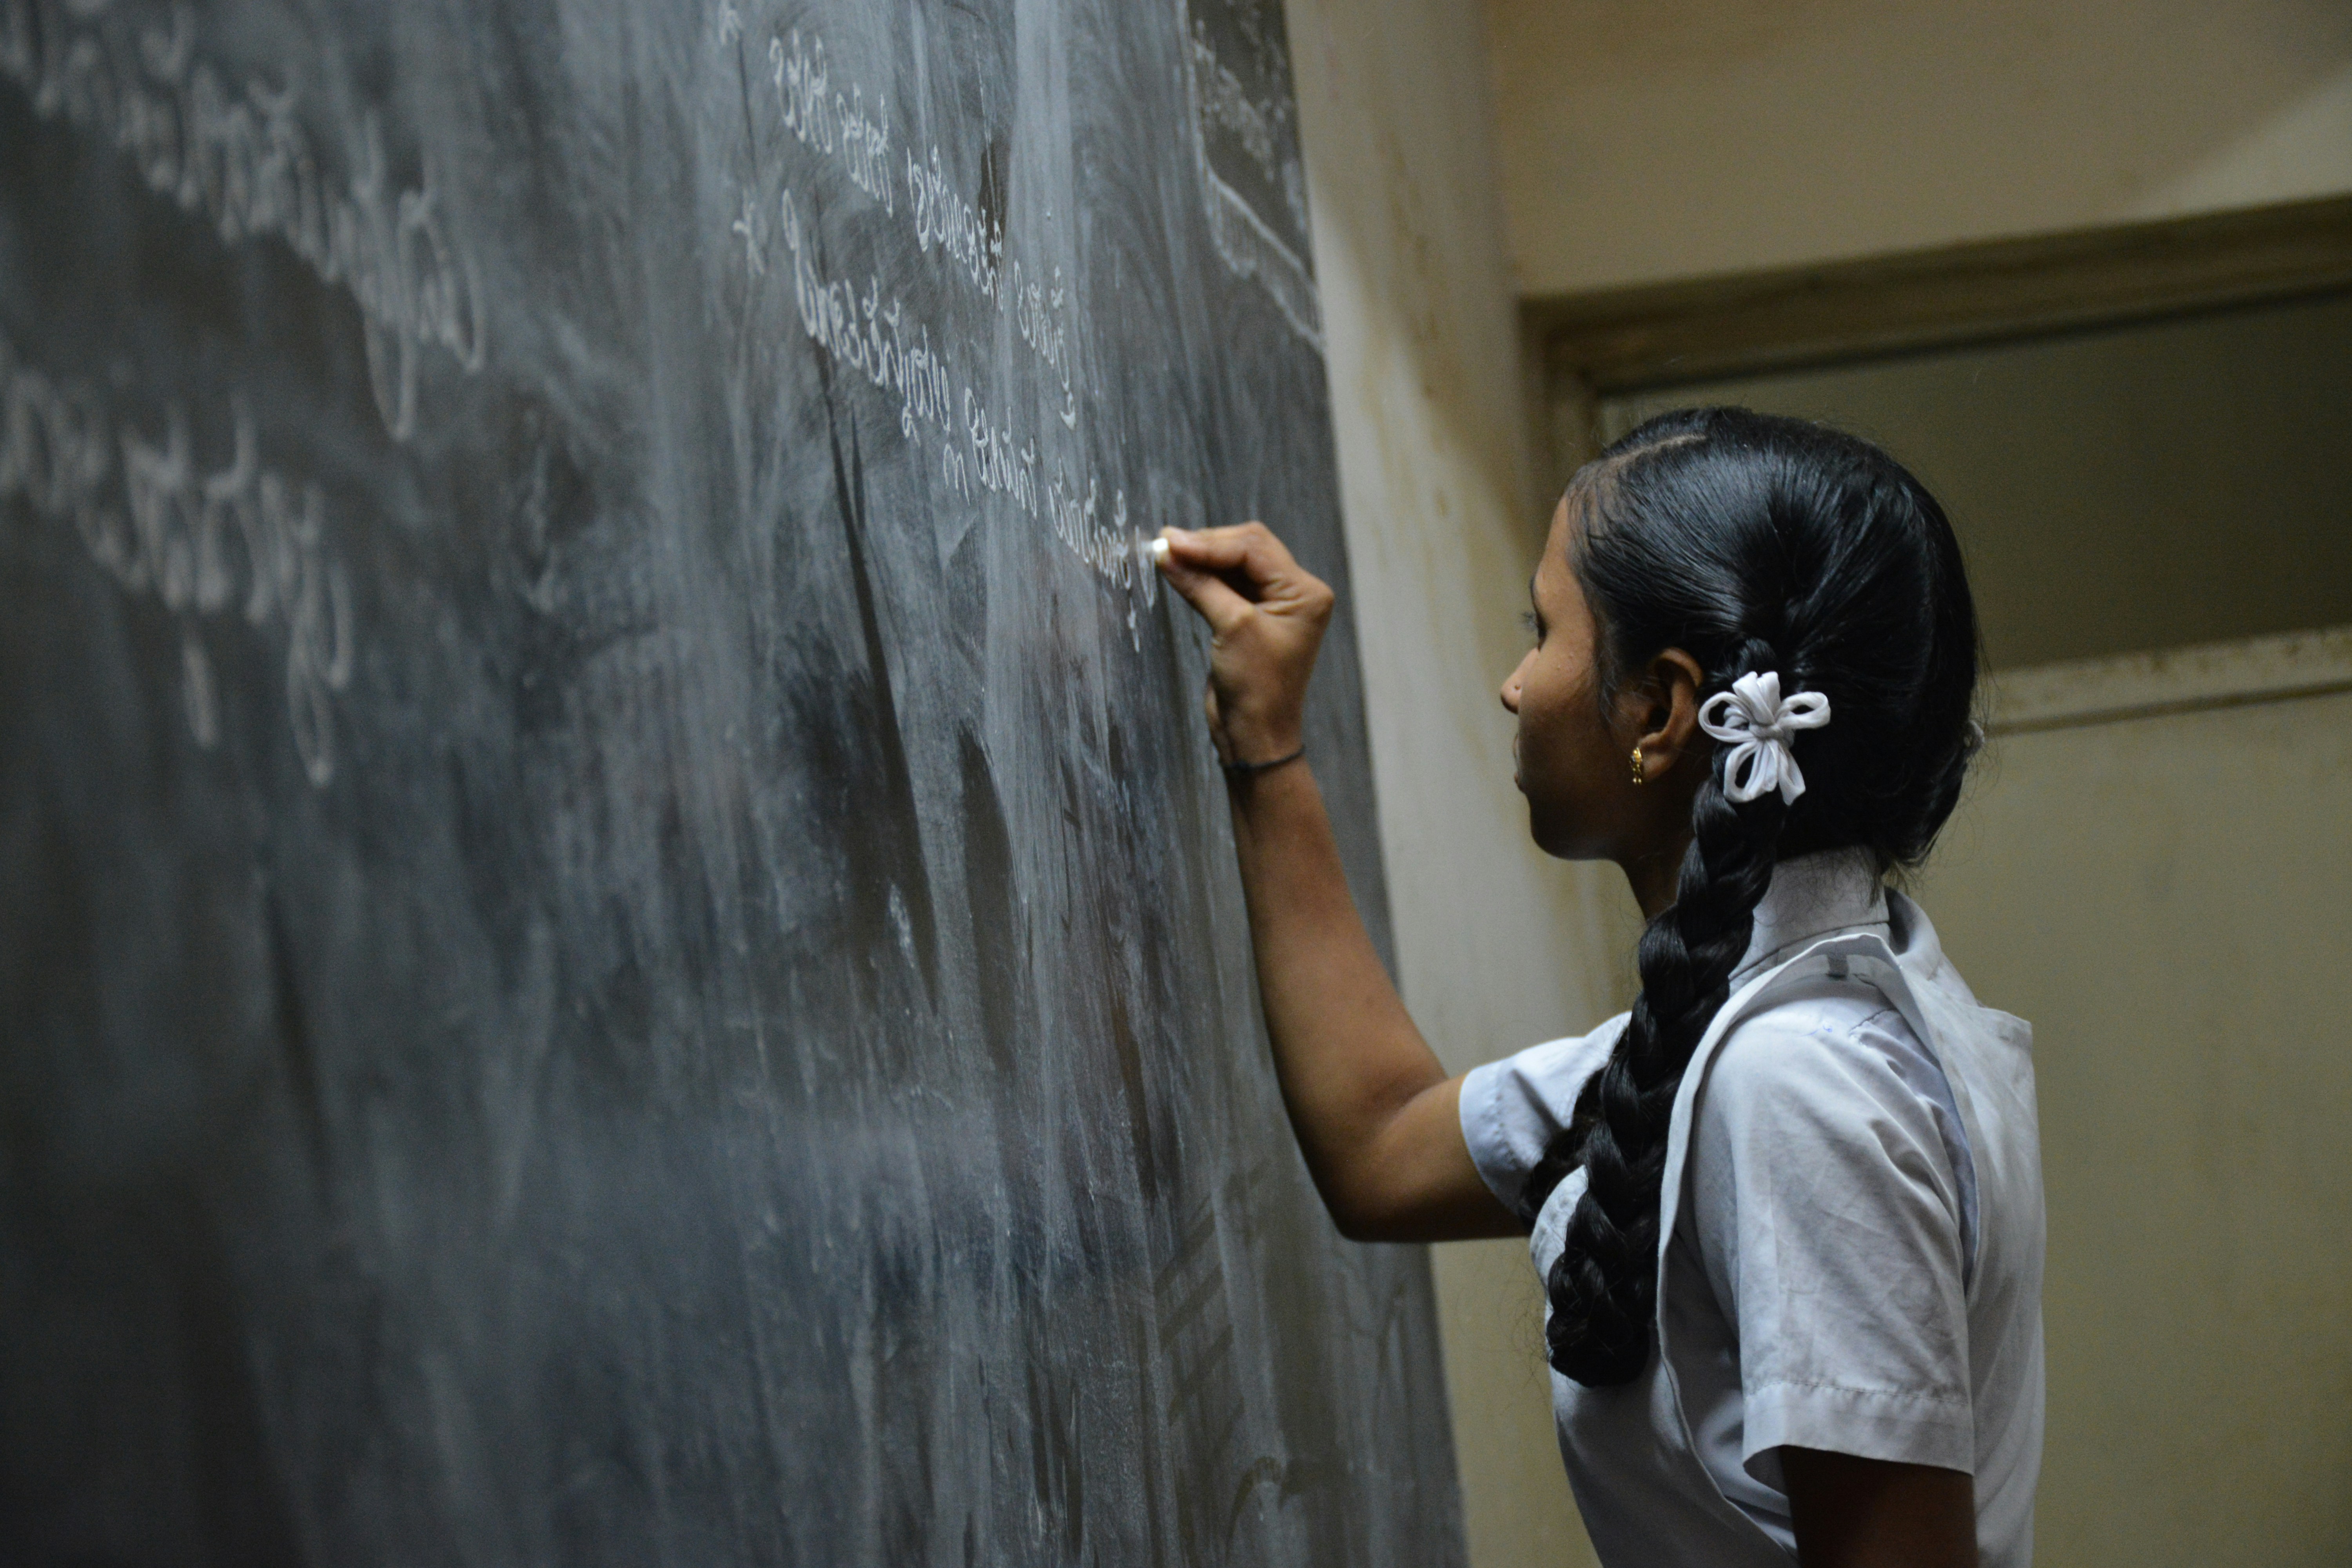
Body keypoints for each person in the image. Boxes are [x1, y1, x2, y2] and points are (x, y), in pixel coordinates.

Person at [1151, 408, 2043, 1568]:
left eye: (1545, 631)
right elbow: (1381, 1148)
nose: (1516, 686)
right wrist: (1265, 743)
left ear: (1663, 712)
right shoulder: (1772, 1023)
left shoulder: (1802, 1082)